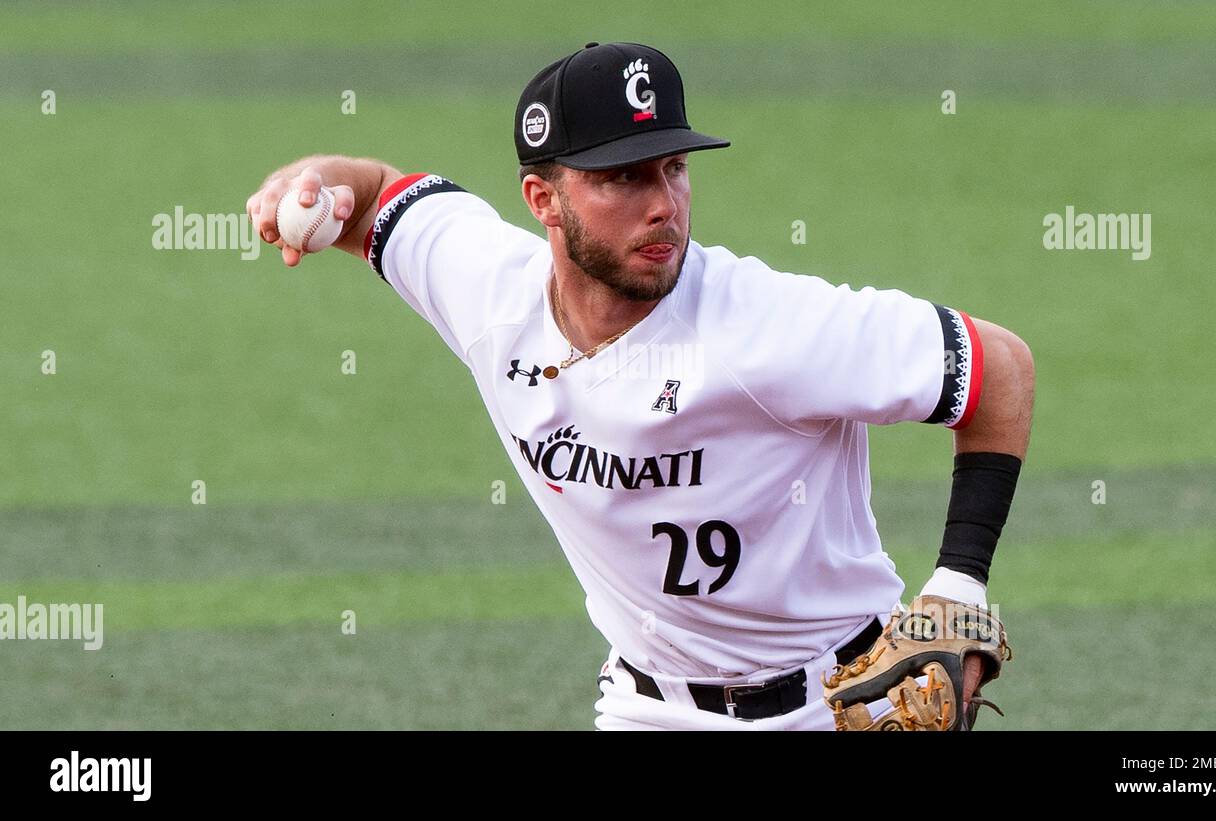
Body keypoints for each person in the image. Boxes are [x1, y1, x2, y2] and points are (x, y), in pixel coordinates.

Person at [245, 41, 1035, 730]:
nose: (664, 204)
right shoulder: (490, 295)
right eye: (622, 177)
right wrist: (311, 184)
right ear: (542, 200)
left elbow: (996, 365)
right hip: (646, 707)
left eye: (675, 167)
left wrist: (956, 583)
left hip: (839, 704)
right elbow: (377, 193)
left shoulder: (769, 327)